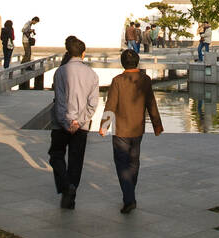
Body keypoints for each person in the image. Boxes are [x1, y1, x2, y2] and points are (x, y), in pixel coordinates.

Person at [100, 48, 164, 213]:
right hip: (137, 128)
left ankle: (129, 198)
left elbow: (111, 105)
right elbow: (151, 103)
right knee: (134, 161)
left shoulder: (118, 81)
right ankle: (130, 193)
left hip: (121, 129)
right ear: (137, 62)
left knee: (122, 164)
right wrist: (157, 125)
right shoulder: (145, 79)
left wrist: (104, 126)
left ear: (122, 63)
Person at [49, 36, 99, 210]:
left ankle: (65, 186)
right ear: (83, 54)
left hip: (61, 123)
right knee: (76, 159)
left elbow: (60, 100)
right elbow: (93, 103)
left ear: (68, 52)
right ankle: (71, 189)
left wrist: (66, 121)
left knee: (56, 155)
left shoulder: (61, 71)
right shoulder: (92, 74)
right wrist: (80, 121)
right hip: (81, 126)